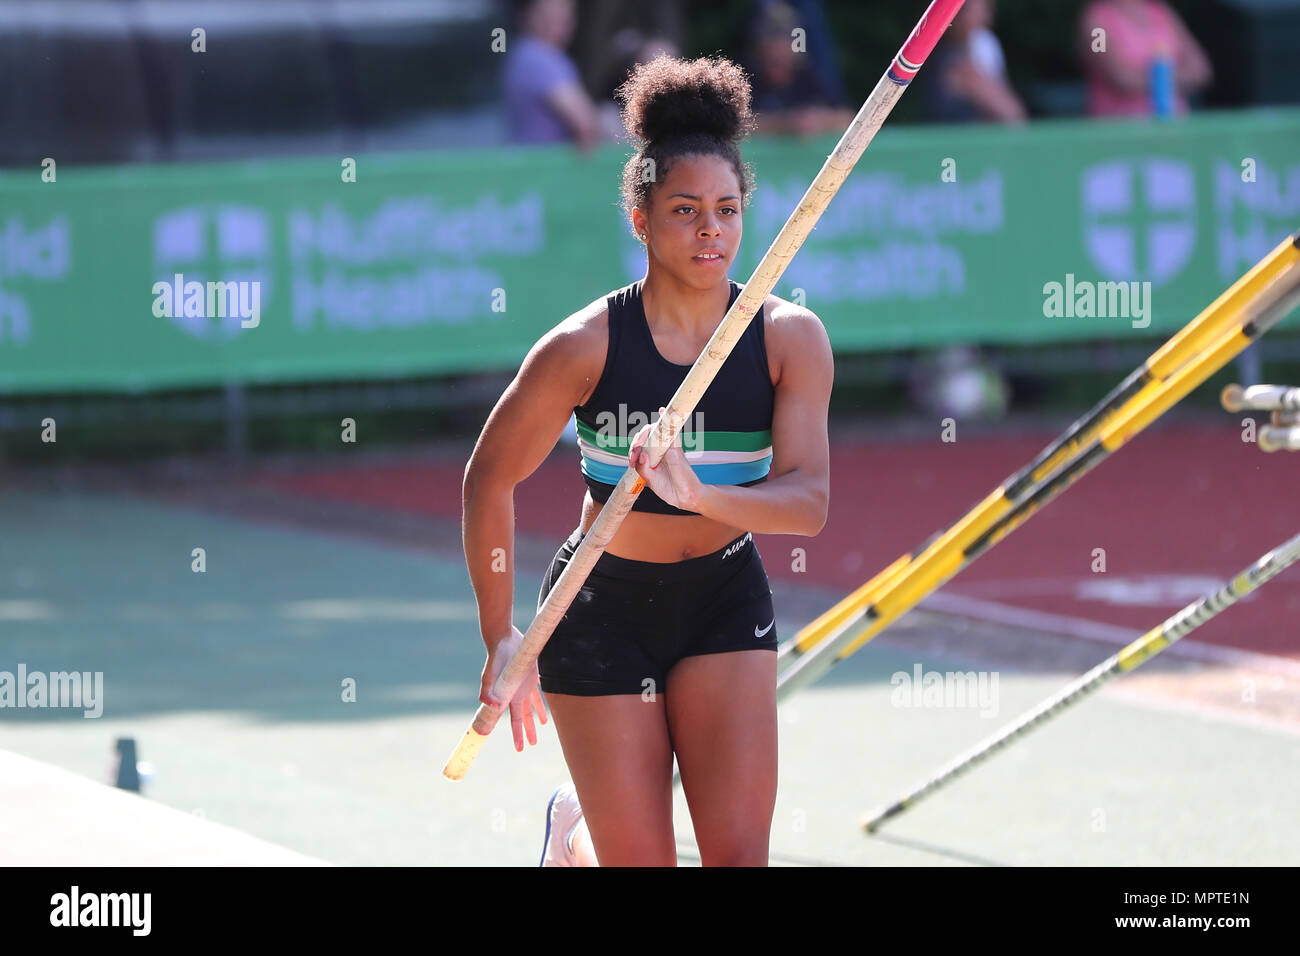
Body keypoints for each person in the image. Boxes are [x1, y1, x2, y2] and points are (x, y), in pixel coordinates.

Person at [461, 54, 834, 867]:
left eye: (728, 210)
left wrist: (701, 496)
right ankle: (579, 830)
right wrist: (499, 635)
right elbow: (489, 478)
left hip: (724, 599)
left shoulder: (787, 339)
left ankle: (583, 824)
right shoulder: (584, 347)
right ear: (641, 219)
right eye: (686, 210)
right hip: (598, 611)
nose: (711, 230)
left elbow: (807, 501)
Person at [1077, 0, 1212, 118]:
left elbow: (1201, 72)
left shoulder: (1162, 12)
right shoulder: (1095, 20)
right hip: (1118, 131)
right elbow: (1121, 79)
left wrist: (1149, 77)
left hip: (1171, 128)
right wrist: (1175, 76)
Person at [745, 1, 853, 139]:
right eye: (772, 61)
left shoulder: (808, 76)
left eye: (783, 61)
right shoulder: (747, 78)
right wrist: (787, 123)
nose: (777, 67)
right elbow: (735, 126)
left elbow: (847, 118)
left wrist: (819, 119)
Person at [503, 0, 602, 149]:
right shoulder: (540, 57)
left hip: (531, 160)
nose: (561, 18)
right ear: (530, 15)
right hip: (548, 165)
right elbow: (585, 123)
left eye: (566, 13)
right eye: (552, 13)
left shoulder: (521, 53)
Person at [927, 0, 1027, 124]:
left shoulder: (951, 55)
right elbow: (1012, 113)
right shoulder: (957, 65)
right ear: (956, 15)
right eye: (982, 10)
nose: (987, 17)